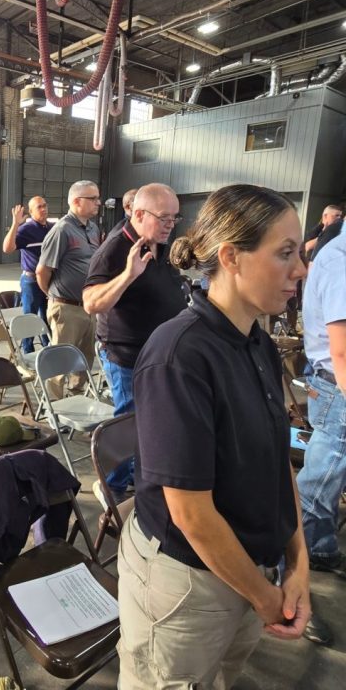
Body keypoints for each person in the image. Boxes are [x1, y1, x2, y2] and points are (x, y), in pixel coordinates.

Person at [117, 184, 310, 689]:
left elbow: (278, 462)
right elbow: (192, 514)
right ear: (231, 257)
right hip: (189, 586)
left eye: (300, 253)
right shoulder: (179, 356)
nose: (301, 270)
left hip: (249, 571)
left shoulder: (257, 344)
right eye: (285, 253)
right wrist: (265, 597)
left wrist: (298, 563)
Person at [82, 184, 187, 507]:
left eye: (175, 217)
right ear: (139, 214)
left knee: (151, 424)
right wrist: (128, 274)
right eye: (164, 218)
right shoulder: (115, 249)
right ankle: (112, 487)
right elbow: (91, 303)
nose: (171, 224)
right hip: (126, 356)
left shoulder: (159, 243)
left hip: (158, 353)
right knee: (130, 424)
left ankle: (139, 479)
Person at [297, 221, 346, 577]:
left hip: (332, 383)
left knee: (329, 471)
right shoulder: (340, 261)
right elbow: (341, 352)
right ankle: (309, 550)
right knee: (323, 476)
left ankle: (319, 545)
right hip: (336, 385)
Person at [36, 180, 101, 397]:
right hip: (67, 308)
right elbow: (42, 271)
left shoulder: (93, 229)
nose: (98, 202)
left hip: (88, 306)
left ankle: (76, 398)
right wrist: (54, 297)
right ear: (76, 201)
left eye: (98, 198)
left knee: (85, 357)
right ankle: (54, 405)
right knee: (60, 361)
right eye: (93, 198)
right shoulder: (62, 230)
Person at [2, 196, 53, 353]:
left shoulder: (52, 228)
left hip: (50, 280)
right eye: (39, 207)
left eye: (45, 205)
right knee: (30, 318)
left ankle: (49, 350)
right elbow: (7, 248)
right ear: (31, 212)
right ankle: (27, 353)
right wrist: (15, 224)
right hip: (31, 281)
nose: (43, 209)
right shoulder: (26, 229)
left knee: (47, 317)